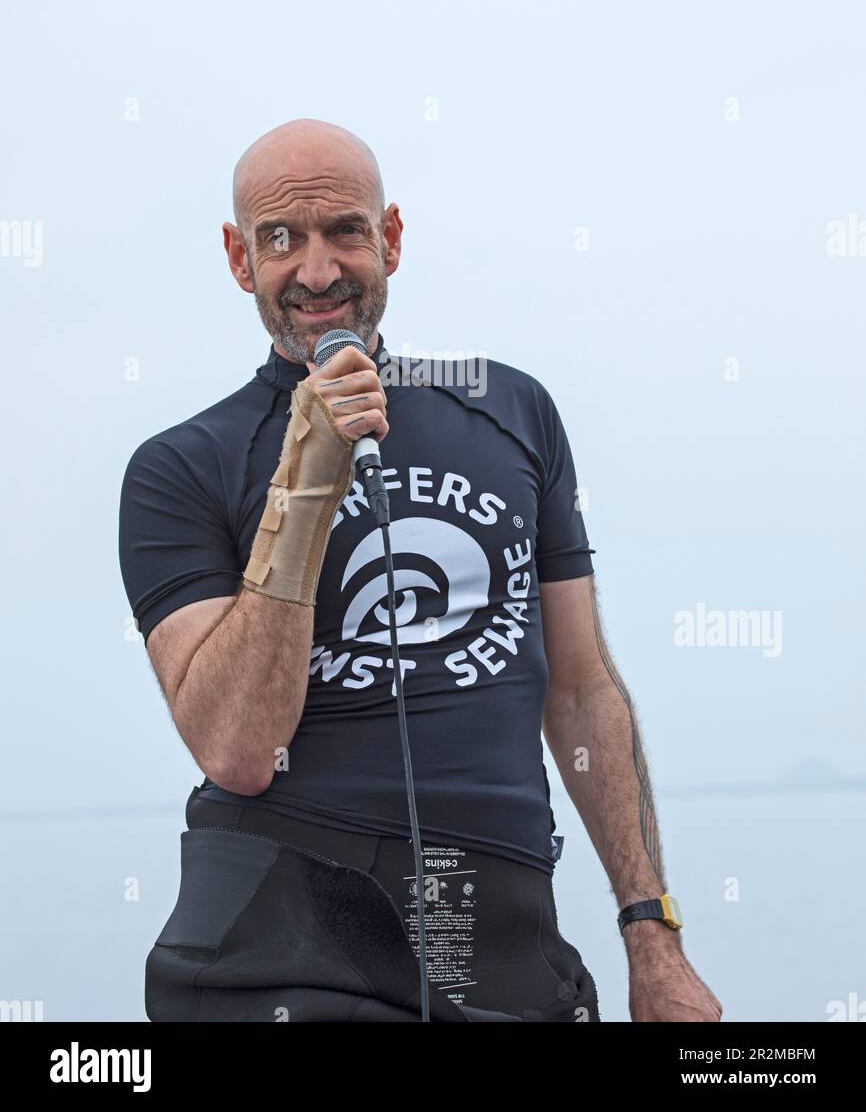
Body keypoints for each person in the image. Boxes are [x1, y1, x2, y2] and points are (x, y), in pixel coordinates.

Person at [118, 118, 721, 1023]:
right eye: (281, 240)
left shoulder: (509, 407)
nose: (317, 271)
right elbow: (237, 749)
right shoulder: (180, 466)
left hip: (506, 925)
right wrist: (306, 476)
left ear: (390, 239)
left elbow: (582, 688)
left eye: (344, 232)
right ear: (241, 260)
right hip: (283, 938)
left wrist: (651, 931)